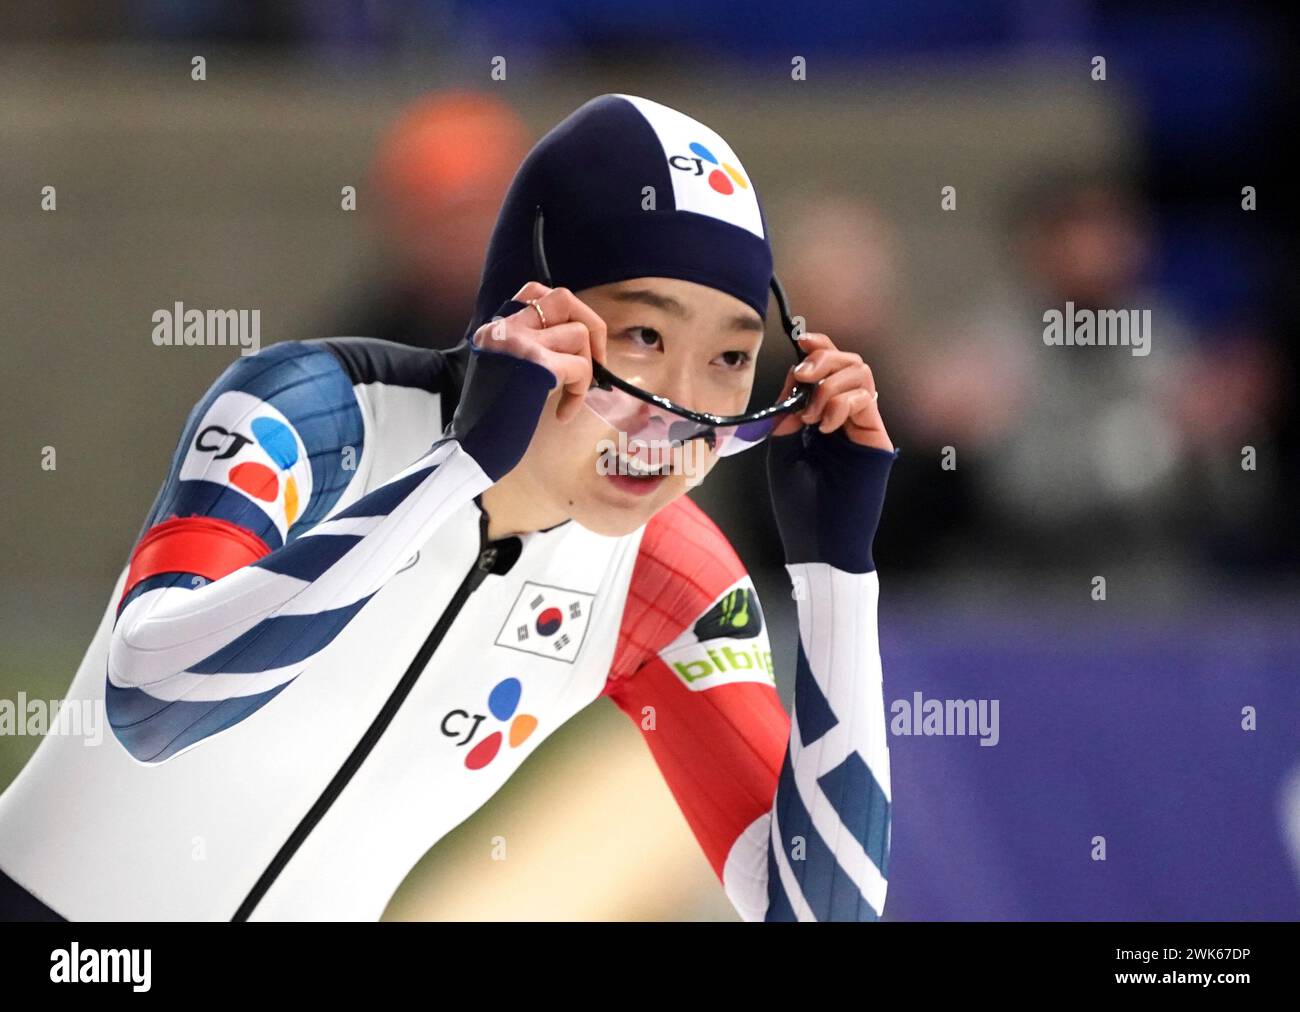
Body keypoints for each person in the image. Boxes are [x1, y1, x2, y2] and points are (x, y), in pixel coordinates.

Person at [0, 94, 896, 922]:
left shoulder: (669, 580)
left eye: (730, 360)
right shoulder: (315, 415)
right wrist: (454, 473)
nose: (674, 411)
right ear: (532, 310)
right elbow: (151, 701)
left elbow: (824, 911)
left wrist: (838, 576)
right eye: (645, 336)